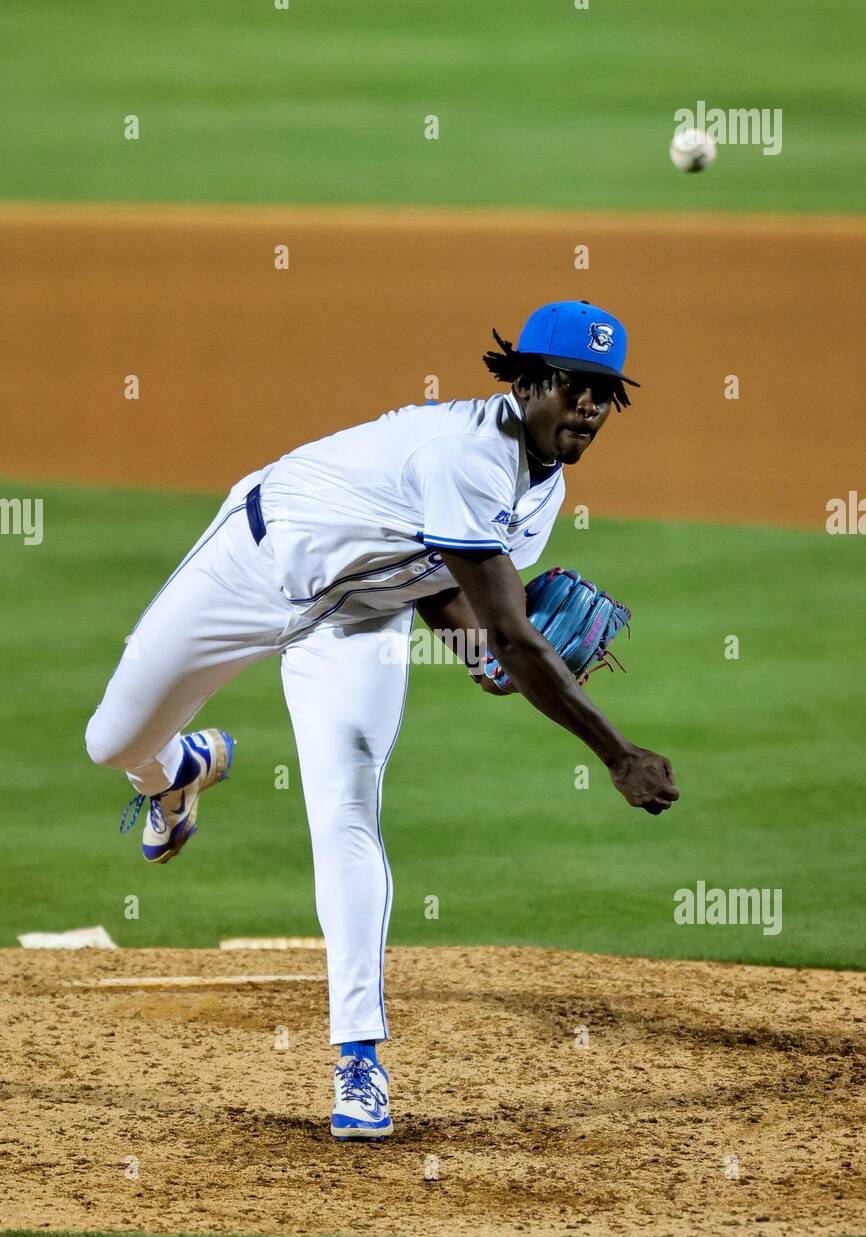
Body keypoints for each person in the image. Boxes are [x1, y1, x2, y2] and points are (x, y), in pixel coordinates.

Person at [85, 299, 678, 1141]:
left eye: (605, 393)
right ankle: (175, 773)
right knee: (111, 742)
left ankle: (357, 1061)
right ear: (528, 383)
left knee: (347, 811)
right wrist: (615, 753)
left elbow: (445, 585)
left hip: (359, 617)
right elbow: (512, 630)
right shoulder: (466, 454)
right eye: (575, 387)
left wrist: (480, 655)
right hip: (252, 570)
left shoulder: (544, 492)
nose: (590, 406)